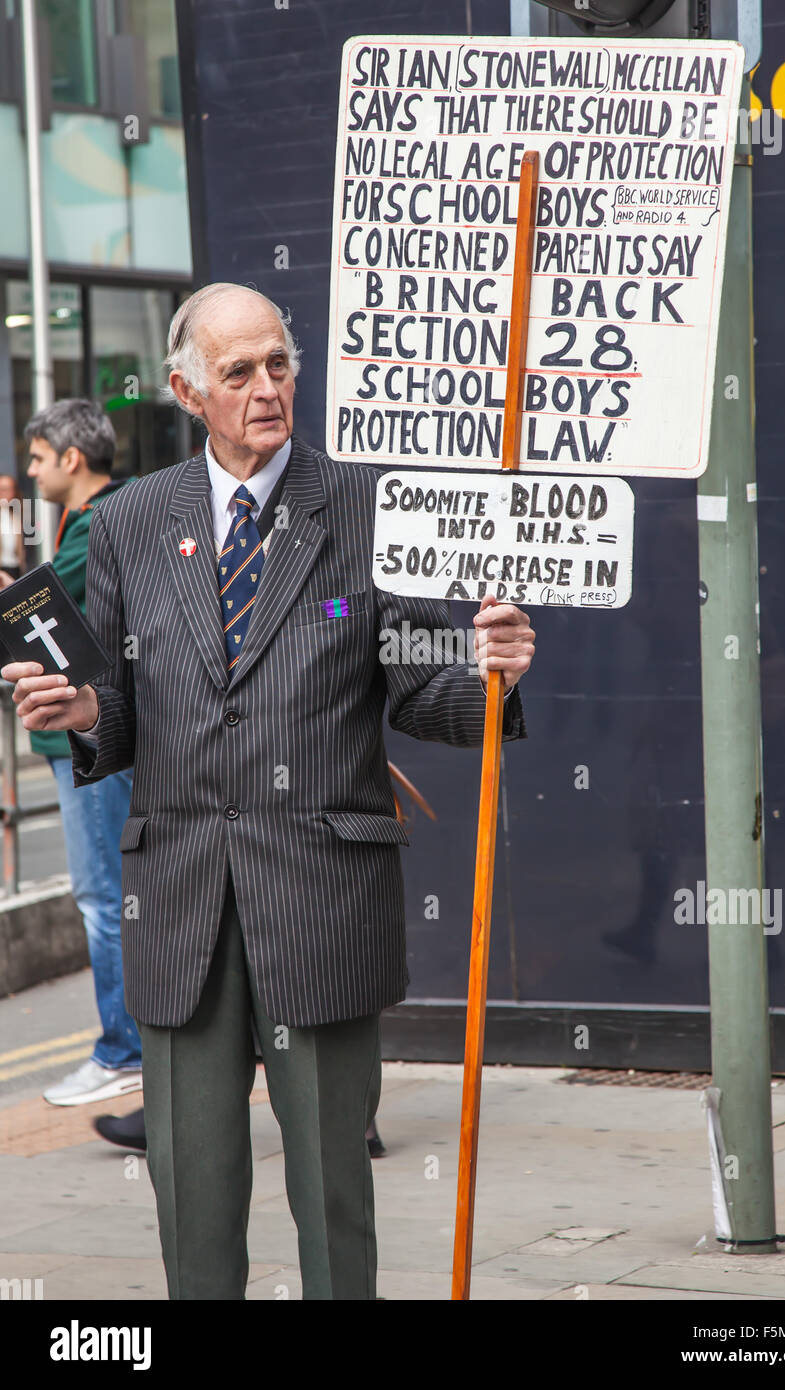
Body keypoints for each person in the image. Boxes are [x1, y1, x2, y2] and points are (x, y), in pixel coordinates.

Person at [1, 283, 534, 1300]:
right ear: (185, 390)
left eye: (279, 364)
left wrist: (499, 679)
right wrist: (79, 717)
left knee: (336, 1196)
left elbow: (426, 691)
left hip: (322, 903)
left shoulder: (368, 508)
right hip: (182, 907)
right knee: (191, 1195)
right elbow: (115, 705)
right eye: (238, 371)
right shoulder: (129, 523)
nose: (265, 388)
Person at [17, 401, 142, 1104]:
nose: (30, 471)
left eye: (37, 458)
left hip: (91, 737)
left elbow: (36, 609)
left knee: (104, 896)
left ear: (72, 459)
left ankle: (124, 1049)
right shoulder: (96, 521)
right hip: (87, 736)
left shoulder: (98, 525)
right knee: (107, 894)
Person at [0, 474, 26, 581]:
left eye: (7, 489)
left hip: (15, 568)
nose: (4, 493)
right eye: (2, 489)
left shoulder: (16, 515)